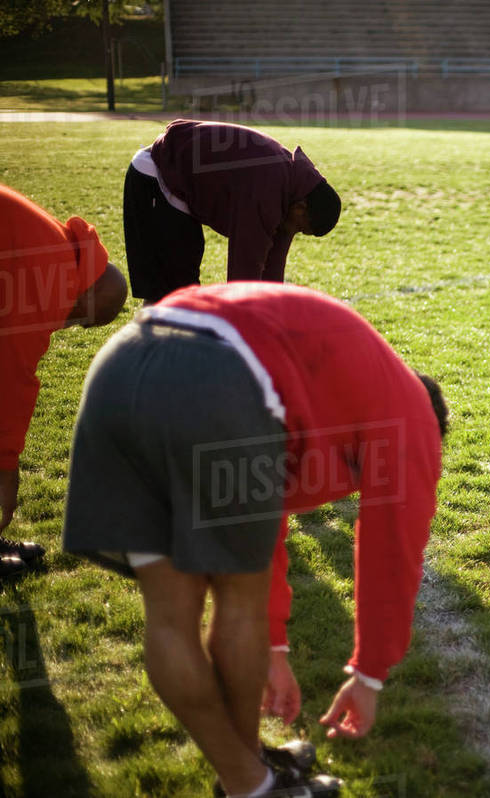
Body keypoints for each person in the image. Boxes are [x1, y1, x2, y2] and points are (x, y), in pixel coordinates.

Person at [61, 282, 447, 797]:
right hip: (214, 379)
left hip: (119, 366)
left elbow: (270, 521)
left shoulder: (338, 383)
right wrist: (370, 674)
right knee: (235, 604)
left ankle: (246, 774)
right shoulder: (410, 413)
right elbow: (392, 549)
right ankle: (252, 784)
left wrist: (276, 649)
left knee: (170, 613)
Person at [0, 183, 127, 580]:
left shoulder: (61, 248)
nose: (68, 323)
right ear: (91, 296)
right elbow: (10, 382)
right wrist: (7, 469)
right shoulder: (51, 277)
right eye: (83, 318)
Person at [123, 120, 342, 304]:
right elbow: (243, 275)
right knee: (172, 291)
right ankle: (150, 348)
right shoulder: (268, 188)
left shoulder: (292, 189)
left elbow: (272, 268)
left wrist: (274, 312)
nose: (294, 231)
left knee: (183, 288)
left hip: (179, 184)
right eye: (300, 227)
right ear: (301, 208)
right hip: (155, 174)